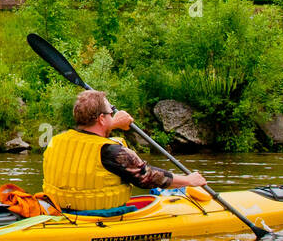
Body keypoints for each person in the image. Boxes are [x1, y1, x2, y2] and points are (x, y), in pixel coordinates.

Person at [42, 89, 207, 213]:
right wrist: (188, 180)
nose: (112, 116)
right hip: (100, 216)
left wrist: (112, 124)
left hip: (60, 211)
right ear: (101, 118)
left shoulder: (56, 141)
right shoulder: (111, 151)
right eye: (110, 113)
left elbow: (86, 138)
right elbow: (148, 177)